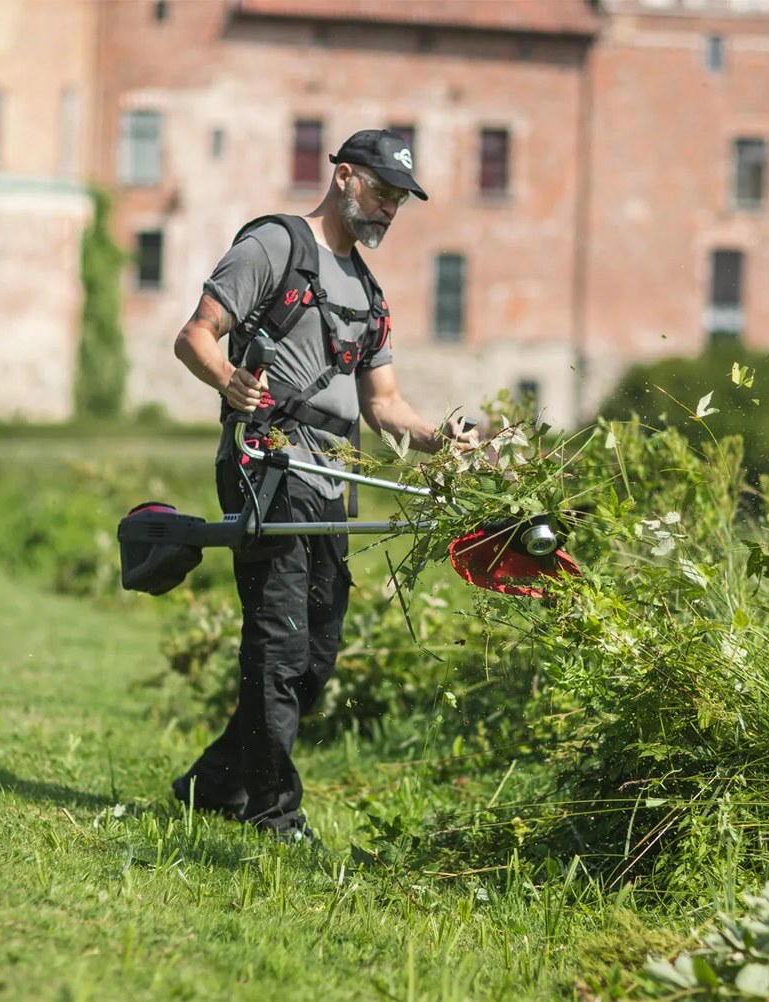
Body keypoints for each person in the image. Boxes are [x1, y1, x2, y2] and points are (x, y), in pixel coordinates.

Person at [171, 129, 478, 842]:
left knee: (315, 658)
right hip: (267, 465)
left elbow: (384, 405)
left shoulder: (369, 292)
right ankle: (274, 814)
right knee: (279, 646)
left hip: (331, 480)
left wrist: (445, 441)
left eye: (400, 200)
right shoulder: (274, 247)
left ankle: (212, 784)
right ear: (343, 177)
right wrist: (230, 381)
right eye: (383, 192)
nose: (390, 209)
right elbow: (195, 337)